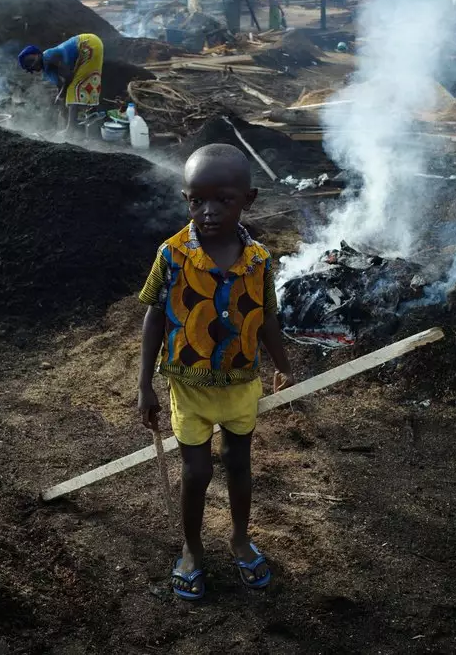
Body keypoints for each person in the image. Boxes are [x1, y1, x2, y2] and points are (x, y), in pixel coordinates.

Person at [137, 144, 295, 601]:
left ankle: (240, 539)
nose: (207, 212)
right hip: (188, 385)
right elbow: (155, 316)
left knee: (240, 463)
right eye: (196, 200)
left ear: (249, 198)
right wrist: (145, 383)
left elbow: (266, 318)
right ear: (187, 198)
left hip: (242, 382)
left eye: (222, 200)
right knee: (197, 470)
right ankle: (192, 549)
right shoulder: (171, 256)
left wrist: (284, 367)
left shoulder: (260, 260)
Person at [17, 33, 104, 132]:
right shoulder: (47, 67)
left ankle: (71, 129)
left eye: (32, 61)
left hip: (88, 44)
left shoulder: (50, 58)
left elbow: (68, 77)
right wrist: (61, 102)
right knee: (78, 87)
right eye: (29, 67)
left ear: (37, 54)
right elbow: (61, 85)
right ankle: (90, 113)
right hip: (91, 44)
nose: (32, 66)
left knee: (74, 88)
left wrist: (61, 95)